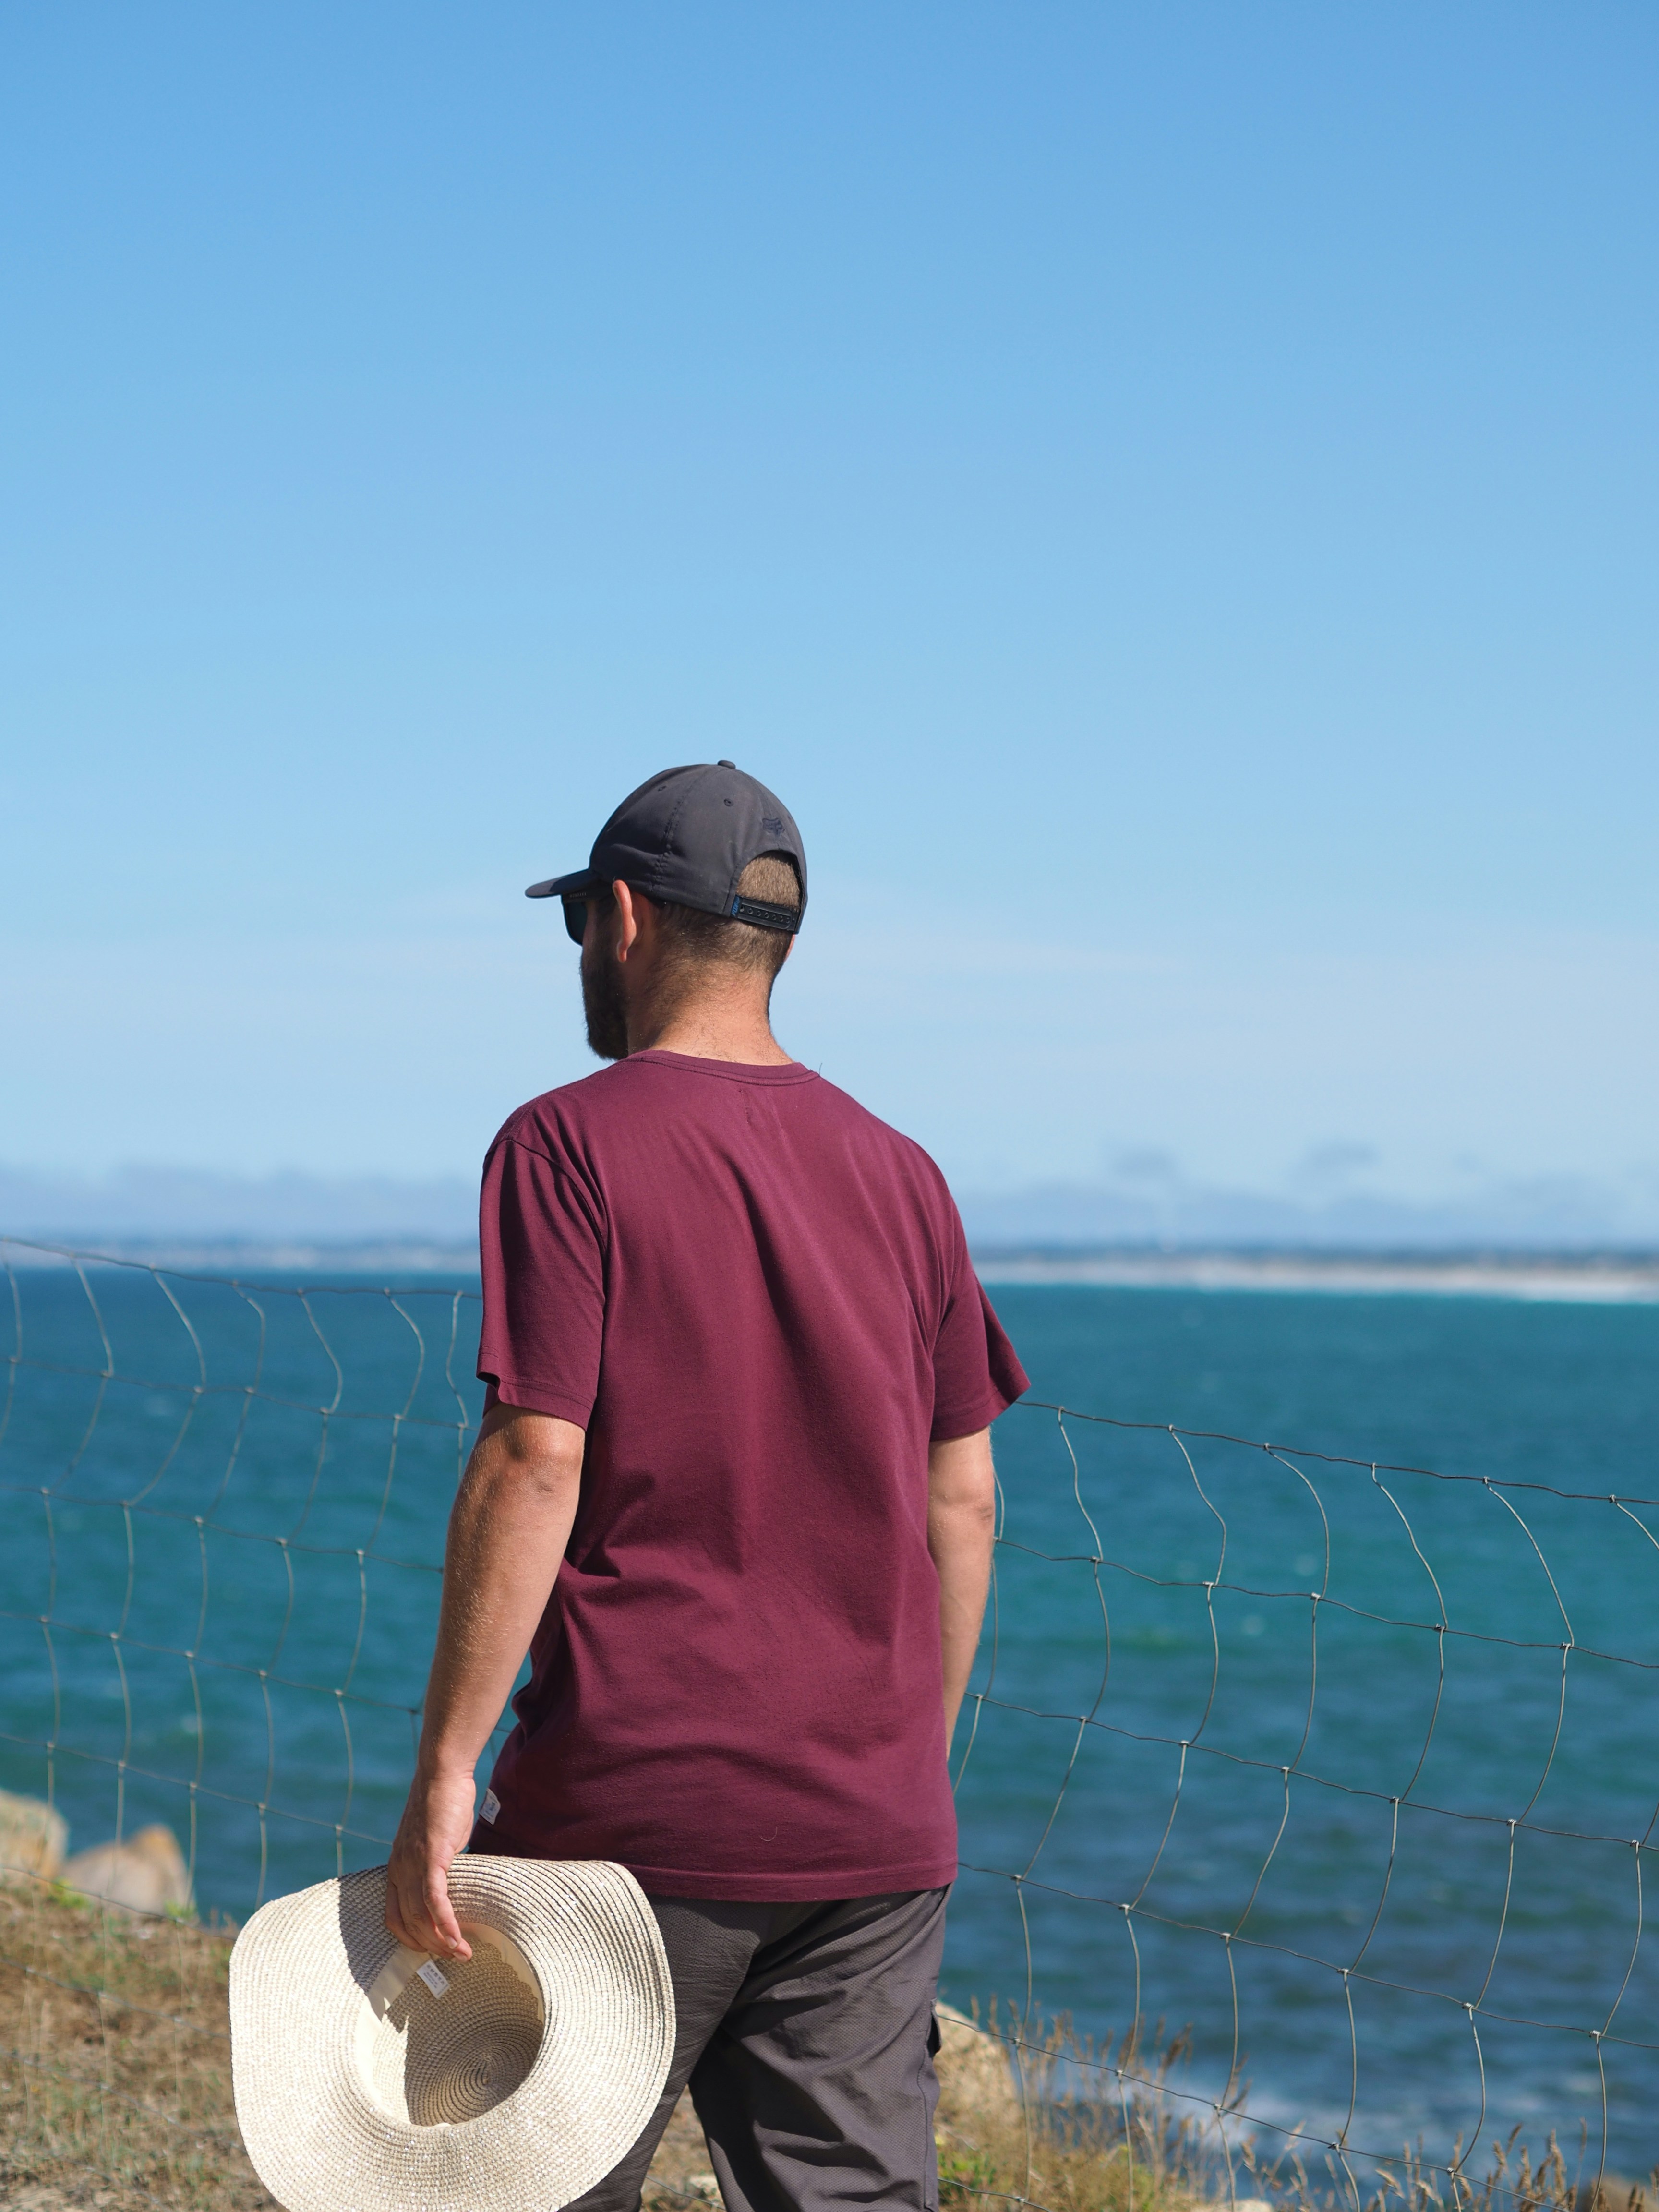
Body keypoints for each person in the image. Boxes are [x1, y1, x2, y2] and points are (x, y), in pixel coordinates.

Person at [385, 761, 1028, 2212]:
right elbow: (966, 1500)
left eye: (578, 926)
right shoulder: (906, 1172)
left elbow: (537, 1458)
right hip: (873, 1831)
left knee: (529, 2186)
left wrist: (444, 1775)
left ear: (621, 919)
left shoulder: (564, 1143)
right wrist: (903, 1762)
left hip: (633, 1824)